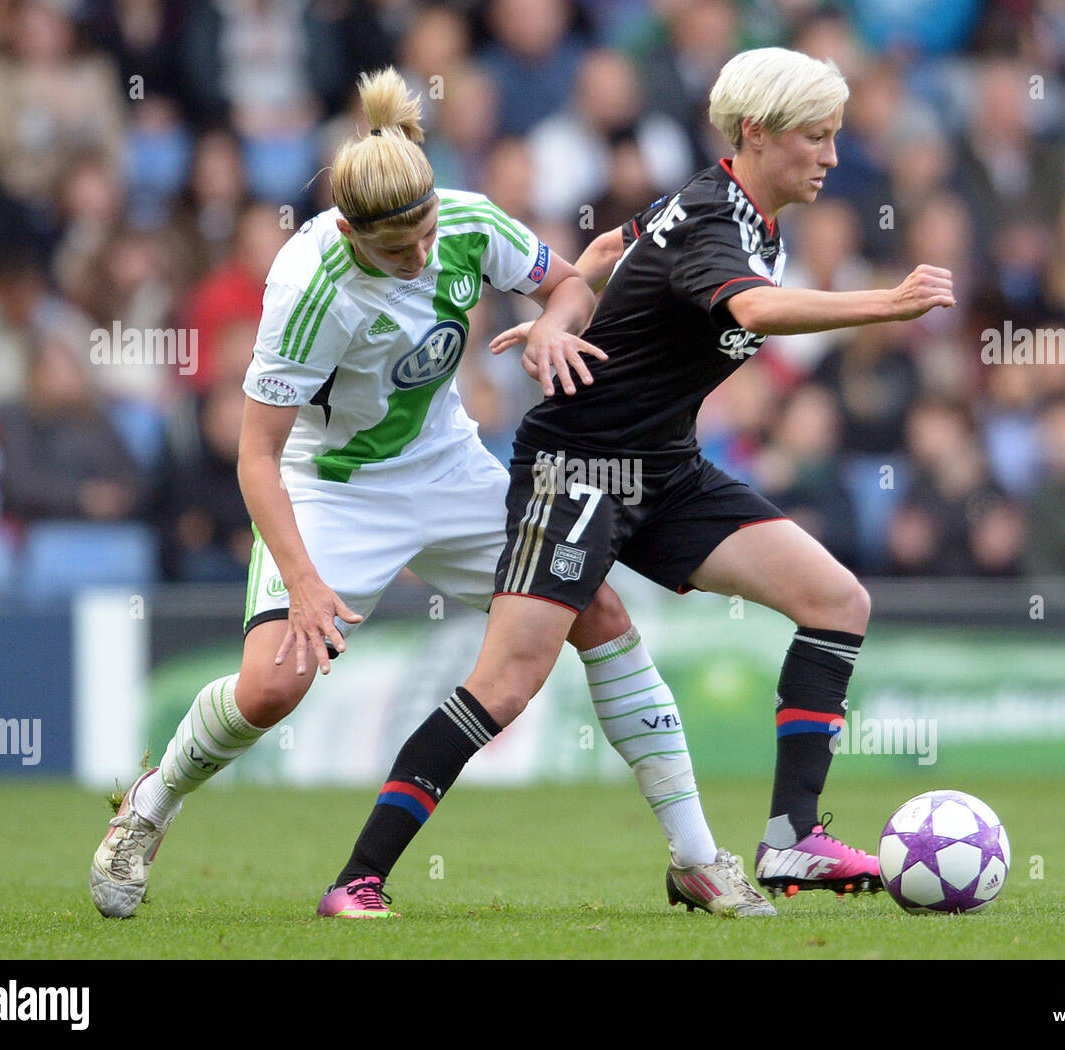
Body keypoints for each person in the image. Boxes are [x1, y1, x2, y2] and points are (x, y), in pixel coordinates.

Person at [89, 68, 772, 921]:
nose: (421, 256)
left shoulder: (469, 219)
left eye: (426, 233)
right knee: (269, 690)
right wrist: (303, 579)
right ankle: (150, 804)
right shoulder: (305, 288)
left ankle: (698, 858)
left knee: (597, 611)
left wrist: (556, 326)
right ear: (347, 229)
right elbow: (255, 457)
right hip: (331, 489)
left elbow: (569, 280)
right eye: (397, 248)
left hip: (447, 467)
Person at [331, 47, 956, 913]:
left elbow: (603, 245)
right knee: (508, 684)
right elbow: (754, 309)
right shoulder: (715, 220)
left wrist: (561, 307)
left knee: (839, 602)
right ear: (757, 135)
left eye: (836, 137)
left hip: (664, 468)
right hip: (577, 467)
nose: (834, 156)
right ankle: (357, 880)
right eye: (817, 137)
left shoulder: (720, 201)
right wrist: (888, 303)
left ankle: (791, 842)